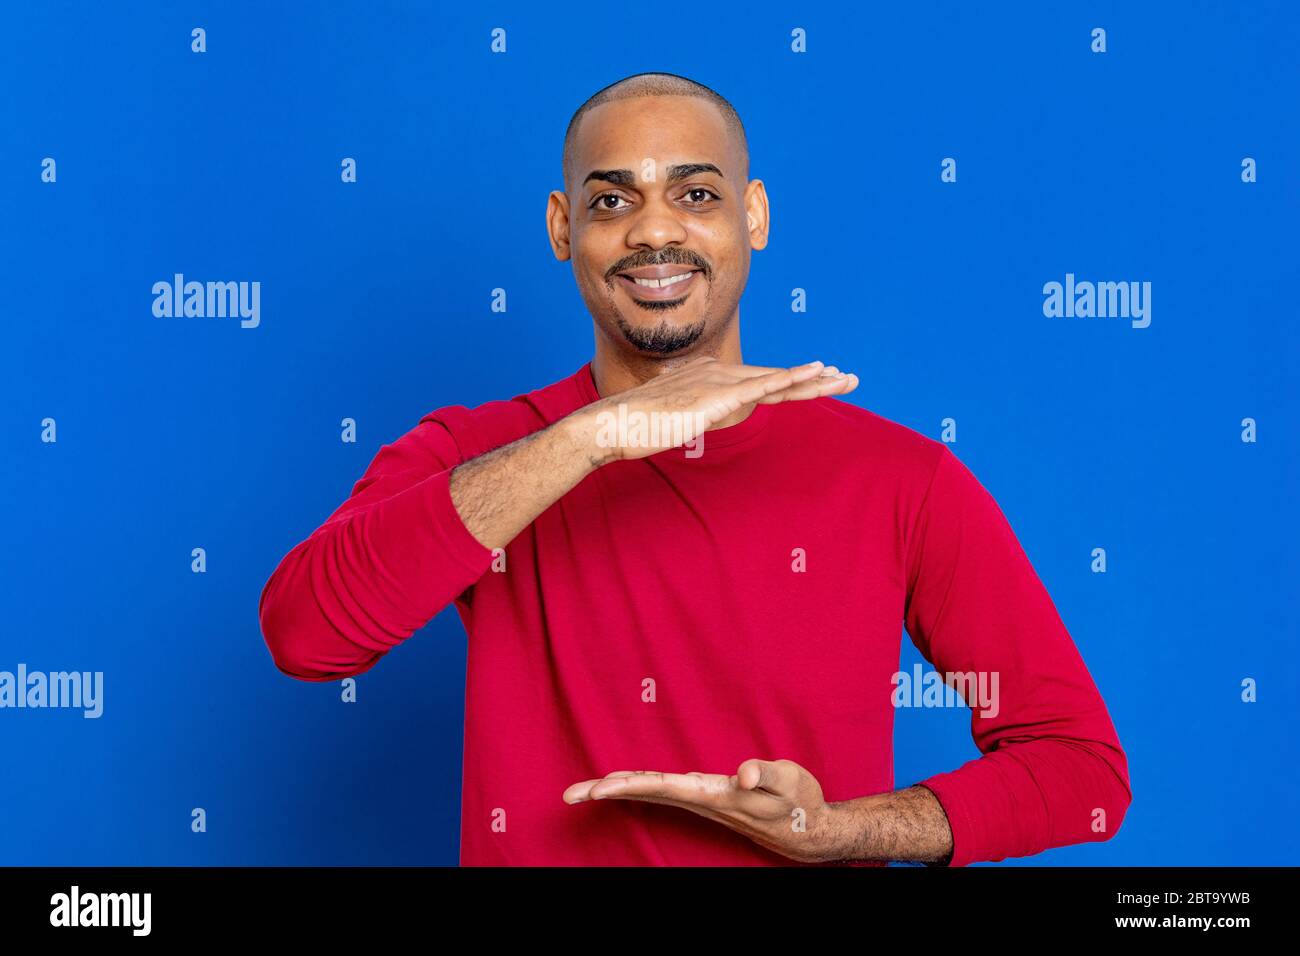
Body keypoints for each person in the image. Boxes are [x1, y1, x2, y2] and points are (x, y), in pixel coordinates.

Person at [258, 71, 1132, 866]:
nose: (654, 230)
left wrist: (839, 832)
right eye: (611, 201)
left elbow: (1082, 773)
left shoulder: (904, 476)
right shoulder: (474, 451)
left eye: (696, 193)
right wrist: (590, 437)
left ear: (753, 215)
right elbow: (305, 635)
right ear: (564, 229)